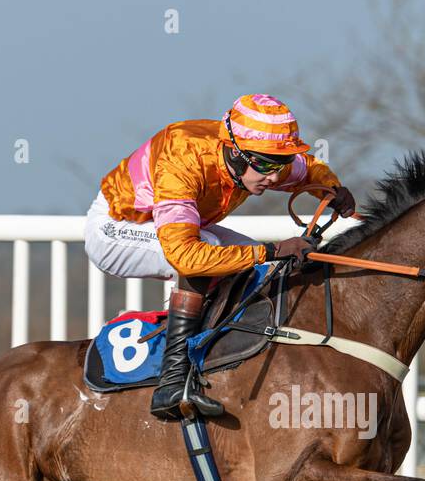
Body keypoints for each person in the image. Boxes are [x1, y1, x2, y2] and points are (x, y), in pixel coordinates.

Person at [85, 94, 355, 419]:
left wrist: (332, 188)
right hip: (117, 227)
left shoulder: (258, 157)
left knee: (263, 269)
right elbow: (186, 256)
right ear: (236, 154)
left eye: (279, 164)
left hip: (182, 227)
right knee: (215, 253)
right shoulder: (183, 159)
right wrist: (272, 248)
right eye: (266, 165)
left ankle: (221, 360)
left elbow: (307, 168)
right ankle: (172, 384)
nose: (274, 177)